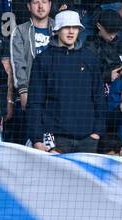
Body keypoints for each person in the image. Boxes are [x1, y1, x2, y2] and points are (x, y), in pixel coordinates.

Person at [26, 11, 105, 154]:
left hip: (87, 140)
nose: (71, 31)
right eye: (66, 27)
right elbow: (35, 102)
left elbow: (99, 97)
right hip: (56, 140)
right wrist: (37, 138)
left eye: (75, 27)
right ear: (57, 30)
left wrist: (97, 133)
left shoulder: (90, 59)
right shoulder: (43, 60)